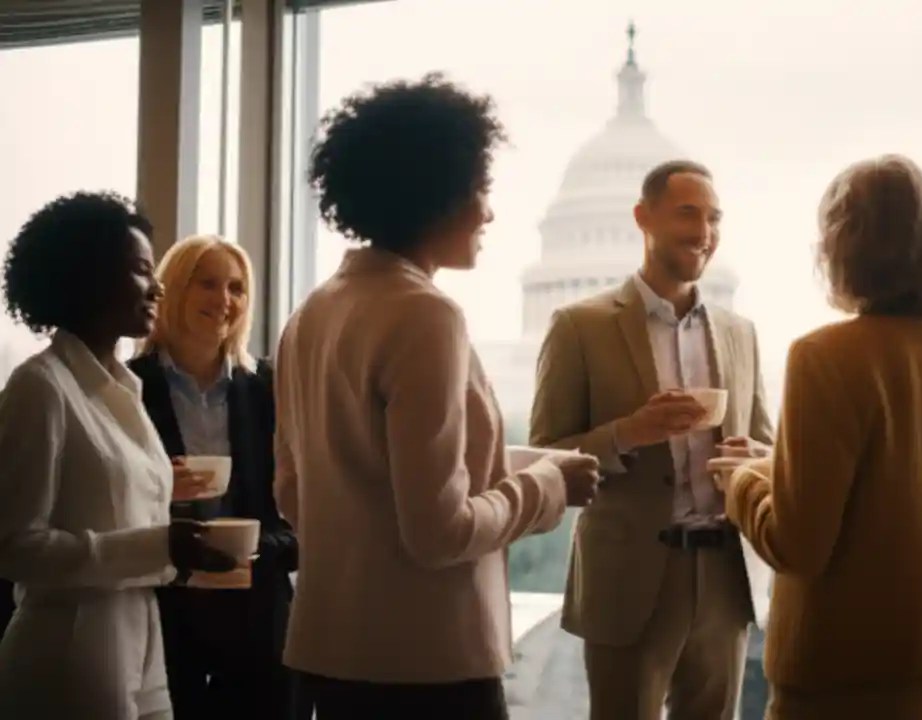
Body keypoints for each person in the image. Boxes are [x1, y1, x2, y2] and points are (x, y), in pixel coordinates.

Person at [274, 74, 600, 720]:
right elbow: (439, 530)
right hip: (425, 669)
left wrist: (542, 460)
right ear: (436, 192)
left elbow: (300, 488)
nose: (488, 212)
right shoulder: (426, 317)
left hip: (330, 655)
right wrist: (547, 490)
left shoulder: (312, 313)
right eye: (480, 189)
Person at [716, 155, 922, 720]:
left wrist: (739, 483)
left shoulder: (822, 357)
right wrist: (774, 464)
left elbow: (797, 543)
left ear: (840, 245)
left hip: (839, 679)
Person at [529, 159, 775, 720]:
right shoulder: (579, 326)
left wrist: (756, 459)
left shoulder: (741, 333)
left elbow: (766, 446)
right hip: (627, 579)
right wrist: (629, 432)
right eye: (688, 213)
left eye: (714, 218)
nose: (704, 233)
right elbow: (545, 456)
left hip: (723, 577)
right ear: (643, 218)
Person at [0, 191, 235, 719]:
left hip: (142, 637)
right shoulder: (39, 386)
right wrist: (160, 545)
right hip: (71, 651)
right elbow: (14, 547)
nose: (157, 286)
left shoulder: (124, 389)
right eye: (140, 270)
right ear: (89, 277)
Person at [129, 235, 303, 720]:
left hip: (259, 612)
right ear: (172, 290)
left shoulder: (271, 388)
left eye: (236, 287)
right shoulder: (126, 388)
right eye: (206, 283)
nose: (223, 300)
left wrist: (263, 548)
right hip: (164, 609)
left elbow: (305, 508)